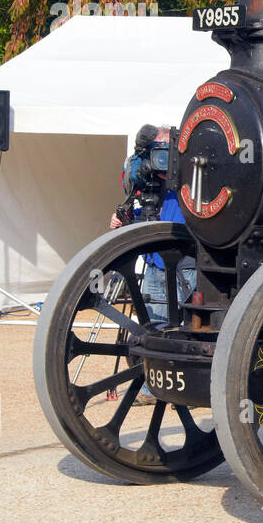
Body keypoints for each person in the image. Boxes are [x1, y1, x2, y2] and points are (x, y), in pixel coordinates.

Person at [109, 125, 195, 403]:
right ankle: (154, 387)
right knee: (153, 327)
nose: (161, 158)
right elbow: (144, 221)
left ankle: (181, 388)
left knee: (182, 330)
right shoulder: (150, 187)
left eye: (166, 150)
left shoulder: (192, 181)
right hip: (155, 265)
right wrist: (122, 223)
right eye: (157, 150)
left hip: (185, 266)